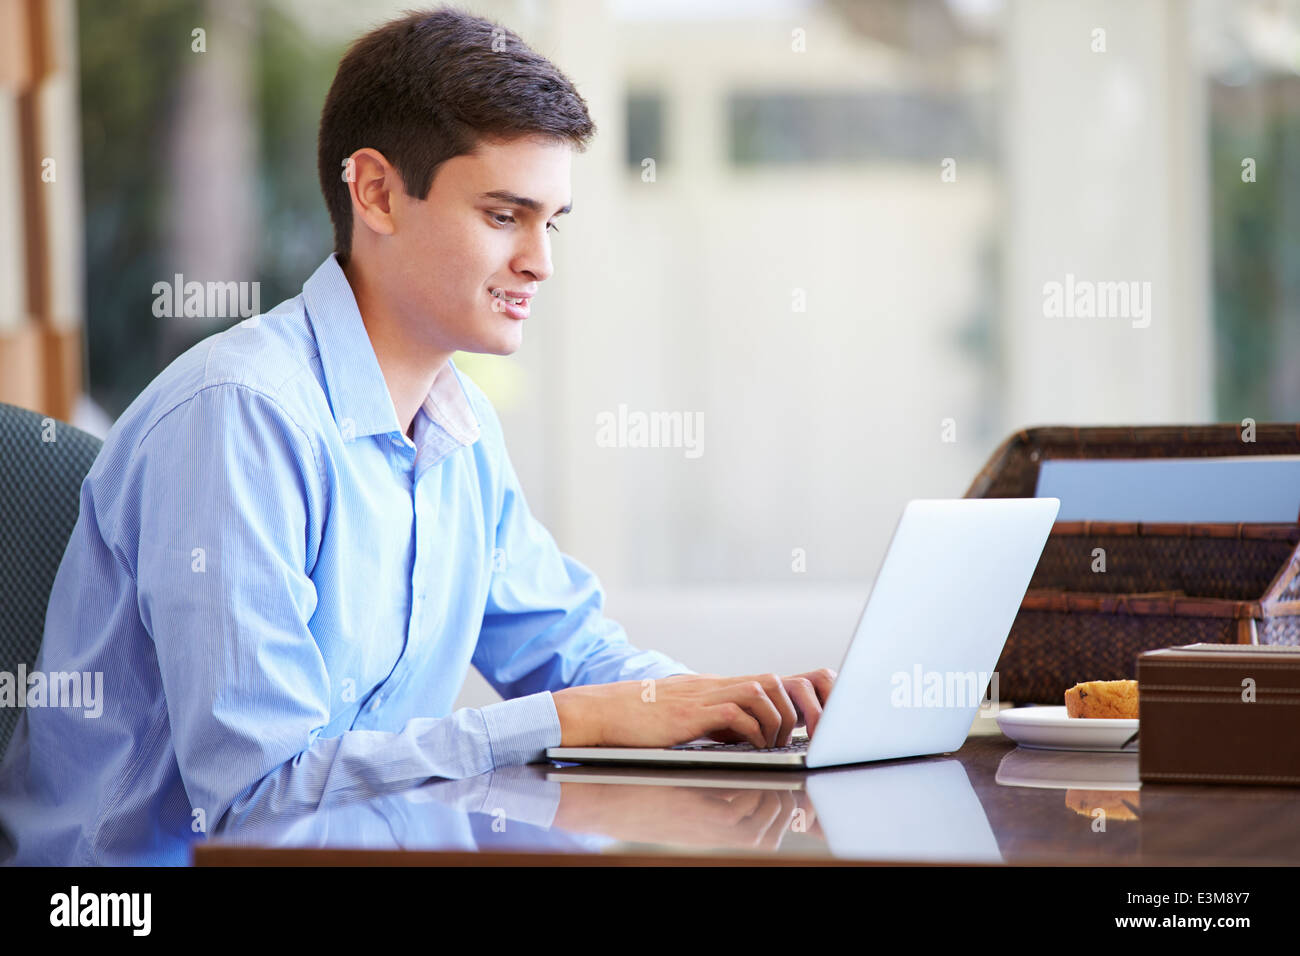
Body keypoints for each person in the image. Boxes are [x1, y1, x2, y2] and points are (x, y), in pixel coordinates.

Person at [0, 5, 835, 866]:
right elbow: (257, 801)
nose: (541, 261)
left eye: (553, 222)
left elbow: (570, 650)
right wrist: (568, 721)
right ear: (376, 194)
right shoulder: (240, 416)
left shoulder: (458, 425)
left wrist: (723, 709)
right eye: (506, 215)